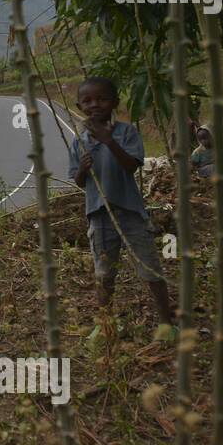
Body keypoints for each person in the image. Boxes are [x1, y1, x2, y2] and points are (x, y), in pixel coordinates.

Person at [67, 77, 173, 327]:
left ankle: (167, 323)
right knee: (104, 274)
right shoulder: (78, 141)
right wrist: (82, 169)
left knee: (150, 269)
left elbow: (131, 166)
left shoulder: (126, 132)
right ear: (79, 105)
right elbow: (79, 182)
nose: (95, 105)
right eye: (88, 100)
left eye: (102, 99)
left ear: (114, 102)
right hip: (99, 214)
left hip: (130, 212)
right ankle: (107, 325)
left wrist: (108, 140)